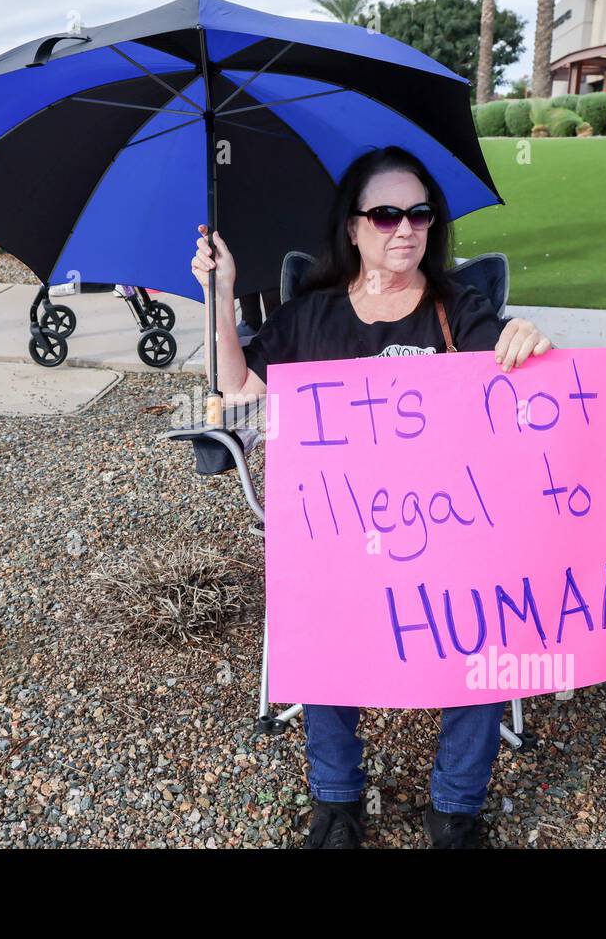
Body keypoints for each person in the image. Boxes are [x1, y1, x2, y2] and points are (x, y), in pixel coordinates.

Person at [189, 145, 554, 849]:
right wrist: (222, 293)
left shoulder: (460, 311)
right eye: (385, 214)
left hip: (447, 531)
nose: (405, 229)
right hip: (339, 535)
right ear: (353, 228)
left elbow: (524, 390)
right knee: (316, 609)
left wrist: (527, 342)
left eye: (420, 213)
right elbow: (238, 398)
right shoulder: (309, 316)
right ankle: (337, 804)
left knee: (483, 618)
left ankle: (455, 807)